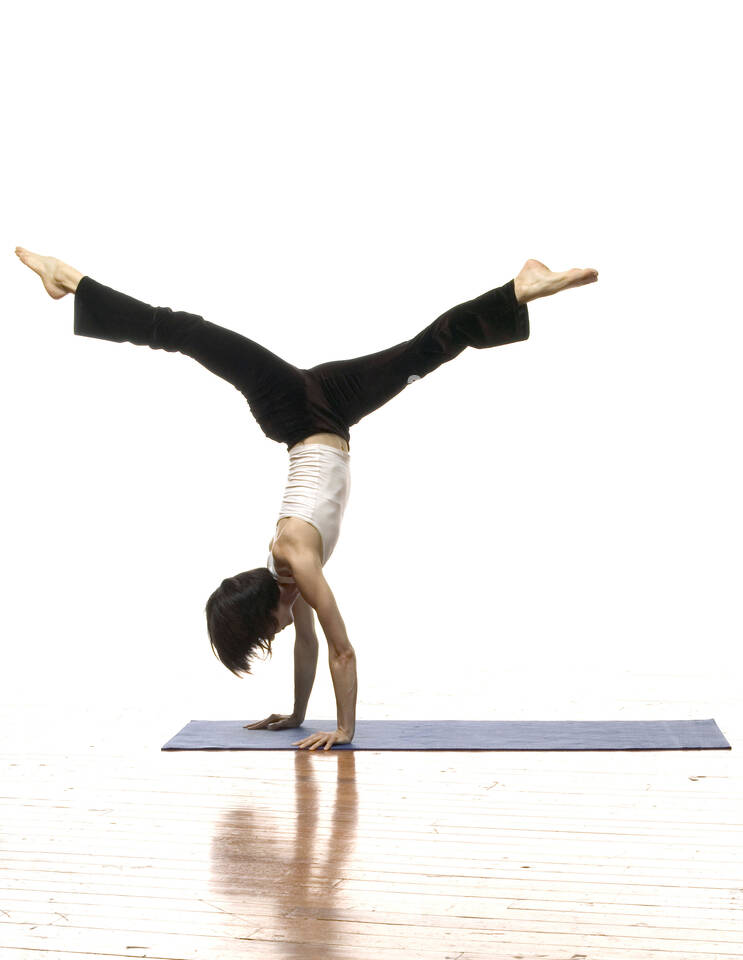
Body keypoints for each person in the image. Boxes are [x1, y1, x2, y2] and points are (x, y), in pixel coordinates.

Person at [15, 246, 598, 750]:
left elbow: (342, 650)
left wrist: (344, 730)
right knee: (430, 349)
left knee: (185, 332)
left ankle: (67, 278)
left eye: (265, 632)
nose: (277, 634)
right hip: (335, 409)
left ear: (264, 606)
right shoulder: (286, 577)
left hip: (292, 410)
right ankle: (520, 288)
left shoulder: (295, 559)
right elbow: (310, 644)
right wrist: (297, 716)